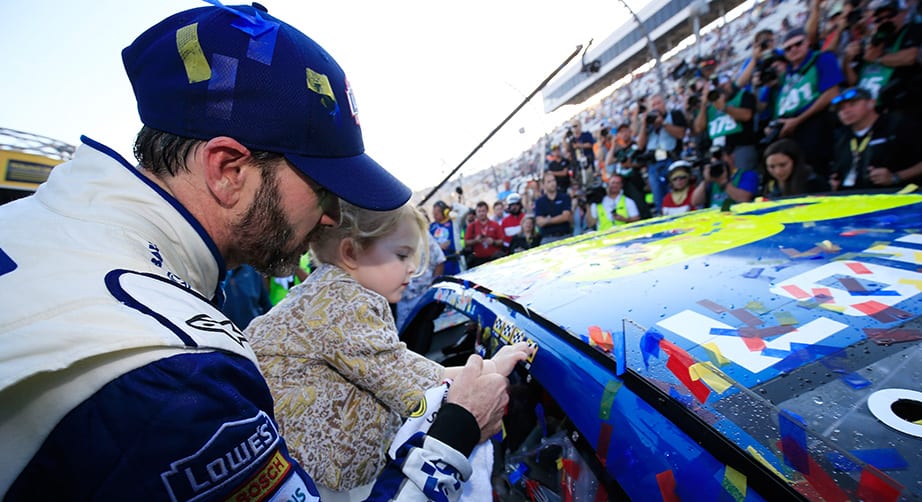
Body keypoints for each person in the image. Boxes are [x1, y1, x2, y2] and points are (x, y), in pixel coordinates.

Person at [0, 4, 515, 500]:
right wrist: (457, 432)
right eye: (321, 184)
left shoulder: (31, 225)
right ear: (229, 171)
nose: (333, 216)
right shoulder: (170, 373)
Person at [246, 201, 533, 500]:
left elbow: (395, 367)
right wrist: (492, 369)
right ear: (351, 252)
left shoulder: (323, 291)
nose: (412, 268)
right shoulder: (345, 301)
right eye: (401, 254)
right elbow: (417, 383)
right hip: (318, 486)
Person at [772, 27, 845, 177]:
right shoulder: (786, 75)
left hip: (817, 126)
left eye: (798, 44)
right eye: (788, 48)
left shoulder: (822, 59)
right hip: (791, 131)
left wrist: (798, 120)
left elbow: (832, 92)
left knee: (818, 173)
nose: (793, 49)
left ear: (808, 43)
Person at [828, 87, 922, 190]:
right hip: (854, 201)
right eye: (840, 108)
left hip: (900, 198)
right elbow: (838, 172)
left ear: (871, 103)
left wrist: (896, 177)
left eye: (852, 104)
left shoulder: (897, 125)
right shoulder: (842, 138)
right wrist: (835, 182)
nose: (846, 111)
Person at [843, 0, 922, 114]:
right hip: (867, 109)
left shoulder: (914, 30)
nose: (885, 21)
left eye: (890, 15)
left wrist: (877, 59)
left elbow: (911, 56)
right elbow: (853, 81)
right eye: (879, 19)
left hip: (900, 105)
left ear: (903, 13)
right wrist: (847, 59)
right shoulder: (871, 41)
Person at [692, 74, 760, 173]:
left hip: (740, 146)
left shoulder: (743, 95)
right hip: (718, 151)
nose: (721, 88)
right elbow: (699, 128)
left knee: (741, 178)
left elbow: (747, 115)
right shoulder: (709, 107)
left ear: (731, 82)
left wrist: (724, 108)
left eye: (724, 85)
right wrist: (703, 104)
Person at [637, 93, 688, 213]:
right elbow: (640, 145)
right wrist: (644, 124)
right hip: (653, 164)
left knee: (676, 196)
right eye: (653, 105)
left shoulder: (675, 115)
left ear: (664, 104)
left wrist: (664, 123)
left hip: (671, 160)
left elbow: (681, 134)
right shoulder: (647, 123)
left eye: (658, 103)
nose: (656, 107)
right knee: (660, 201)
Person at [692, 148, 760, 210]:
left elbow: (744, 199)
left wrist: (723, 182)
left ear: (732, 156)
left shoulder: (746, 175)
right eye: (714, 157)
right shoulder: (712, 177)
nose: (718, 160)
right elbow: (695, 202)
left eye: (720, 156)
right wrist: (705, 181)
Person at [762, 138, 831, 197]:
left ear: (795, 162)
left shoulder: (814, 184)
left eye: (783, 165)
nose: (778, 171)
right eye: (772, 167)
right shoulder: (771, 186)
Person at [221, 264, 272, 329]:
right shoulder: (215, 269)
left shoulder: (252, 271)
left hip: (252, 331)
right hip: (225, 332)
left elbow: (265, 304)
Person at [430, 199, 468, 275]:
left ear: (445, 212)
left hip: (456, 261)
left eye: (437, 213)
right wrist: (438, 247)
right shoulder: (432, 227)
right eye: (434, 213)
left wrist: (452, 207)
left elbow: (465, 210)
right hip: (442, 264)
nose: (434, 215)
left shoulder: (454, 222)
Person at [533, 170, 573, 244]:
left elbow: (566, 217)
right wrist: (558, 218)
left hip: (565, 235)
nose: (552, 184)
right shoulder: (539, 202)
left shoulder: (564, 197)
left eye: (553, 180)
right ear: (543, 185)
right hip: (548, 238)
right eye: (549, 182)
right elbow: (540, 222)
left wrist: (547, 220)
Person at [464, 200, 506, 268]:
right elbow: (466, 242)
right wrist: (475, 240)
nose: (481, 213)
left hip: (494, 258)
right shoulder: (471, 226)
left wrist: (493, 242)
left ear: (487, 211)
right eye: (479, 211)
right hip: (479, 260)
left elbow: (502, 241)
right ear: (476, 213)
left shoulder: (495, 224)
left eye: (483, 211)